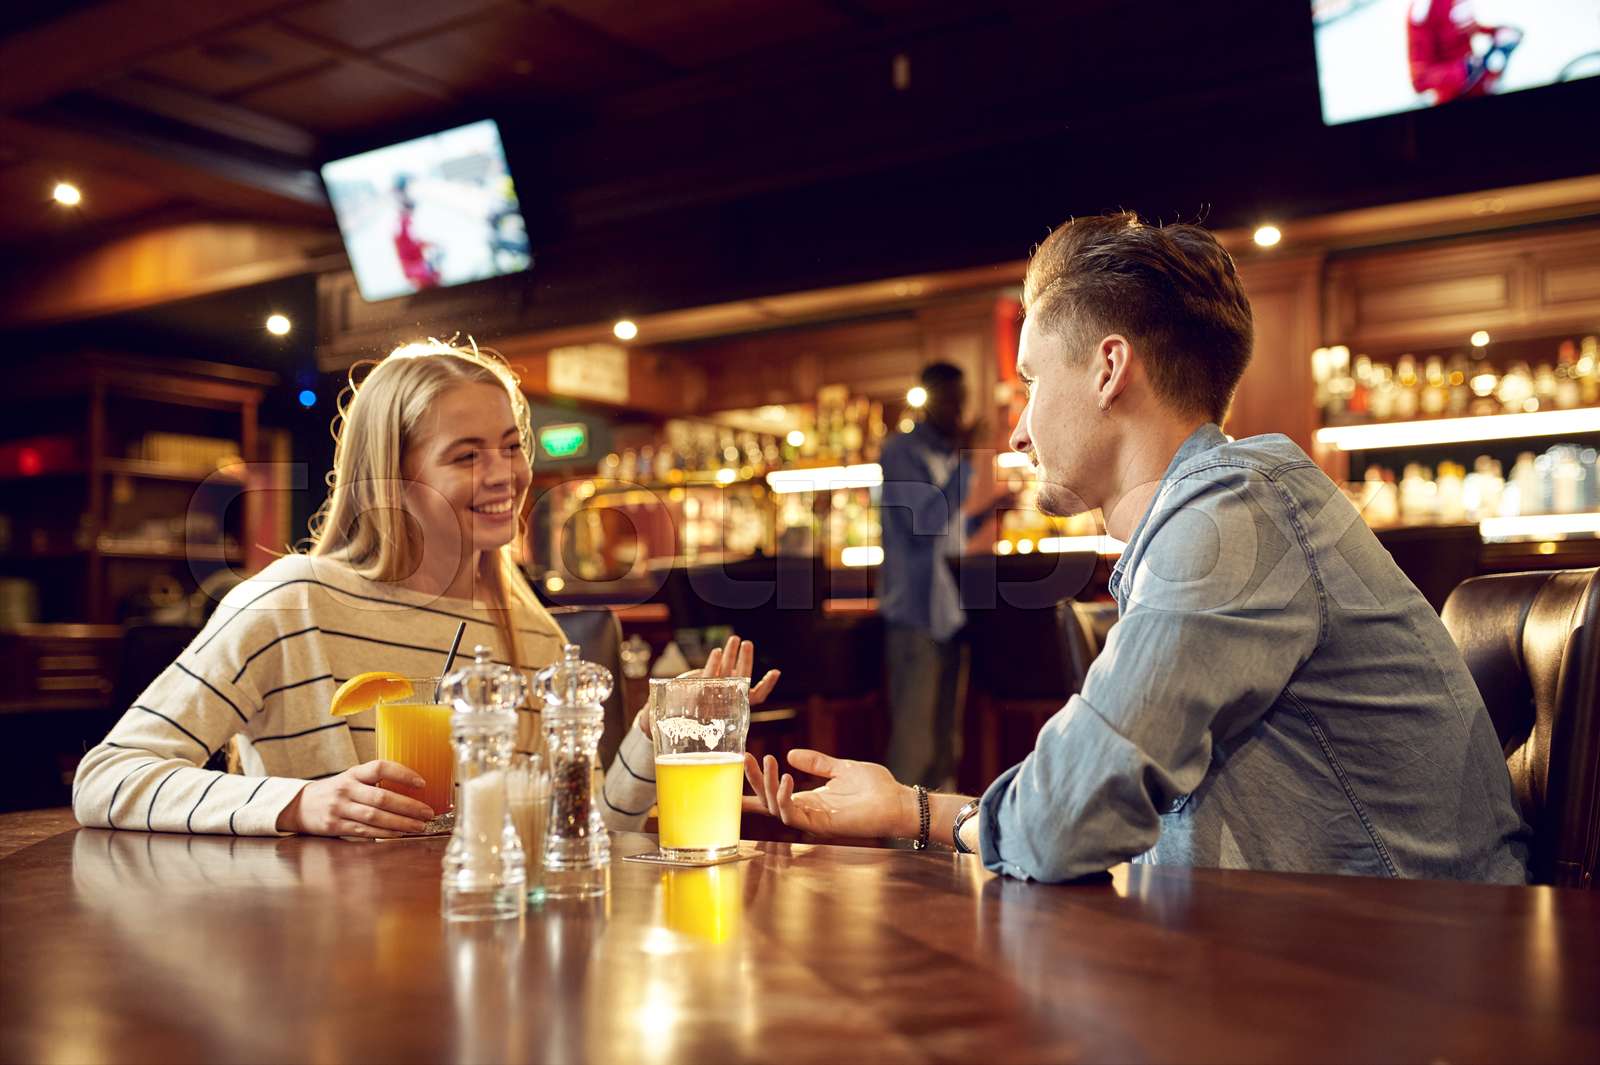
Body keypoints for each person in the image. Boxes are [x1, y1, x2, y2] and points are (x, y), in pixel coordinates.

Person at [746, 213, 1530, 883]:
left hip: (1419, 988)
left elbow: (1063, 816)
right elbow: (1082, 806)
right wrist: (911, 808)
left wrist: (930, 817)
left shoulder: (1232, 515)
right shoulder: (1215, 515)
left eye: (1029, 384)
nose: (1017, 430)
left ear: (1108, 368)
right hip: (1321, 962)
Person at [73, 340, 776, 837]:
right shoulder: (292, 604)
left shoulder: (528, 630)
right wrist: (299, 804)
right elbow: (107, 775)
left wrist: (654, 738)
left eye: (510, 444)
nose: (505, 473)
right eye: (467, 455)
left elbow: (577, 829)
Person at [877, 362, 1005, 790]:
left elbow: (948, 535)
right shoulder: (901, 451)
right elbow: (922, 523)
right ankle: (901, 854)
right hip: (915, 614)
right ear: (931, 399)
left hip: (950, 615)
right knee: (915, 748)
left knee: (947, 747)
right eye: (951, 399)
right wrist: (966, 460)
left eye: (962, 400)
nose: (959, 409)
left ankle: (939, 853)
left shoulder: (945, 454)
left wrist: (991, 510)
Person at [1407, 0, 1522, 104]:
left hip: (1480, 90)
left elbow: (1467, 30)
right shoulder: (1422, 10)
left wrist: (1497, 33)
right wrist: (1464, 69)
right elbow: (1420, 80)